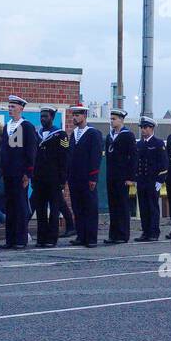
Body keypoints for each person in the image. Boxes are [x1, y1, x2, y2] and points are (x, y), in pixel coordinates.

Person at [31, 107, 70, 248]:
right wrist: (33, 178)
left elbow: (64, 158)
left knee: (54, 210)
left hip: (54, 179)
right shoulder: (37, 134)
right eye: (41, 116)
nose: (42, 119)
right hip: (39, 178)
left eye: (45, 116)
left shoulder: (61, 135)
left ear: (52, 118)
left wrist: (62, 180)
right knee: (40, 210)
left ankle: (51, 238)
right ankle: (41, 237)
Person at [66, 105, 103, 247]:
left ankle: (91, 237)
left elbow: (95, 156)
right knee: (78, 207)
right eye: (73, 115)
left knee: (90, 208)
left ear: (84, 116)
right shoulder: (74, 134)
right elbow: (70, 156)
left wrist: (93, 177)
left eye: (77, 115)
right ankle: (81, 235)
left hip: (87, 177)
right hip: (75, 177)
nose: (74, 117)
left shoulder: (93, 133)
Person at [103, 109, 137, 244]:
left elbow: (133, 157)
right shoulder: (110, 136)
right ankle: (114, 234)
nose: (112, 121)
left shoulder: (128, 135)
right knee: (113, 205)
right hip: (112, 176)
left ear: (121, 120)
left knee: (122, 206)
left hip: (123, 177)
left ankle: (122, 234)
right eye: (111, 119)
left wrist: (131, 177)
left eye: (114, 119)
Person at [134, 118, 168, 242]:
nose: (143, 130)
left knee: (152, 207)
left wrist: (160, 180)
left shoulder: (158, 143)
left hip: (153, 181)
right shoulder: (139, 144)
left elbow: (164, 163)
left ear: (152, 128)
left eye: (146, 127)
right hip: (142, 180)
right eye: (142, 127)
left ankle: (154, 232)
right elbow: (136, 163)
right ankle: (145, 231)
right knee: (143, 207)